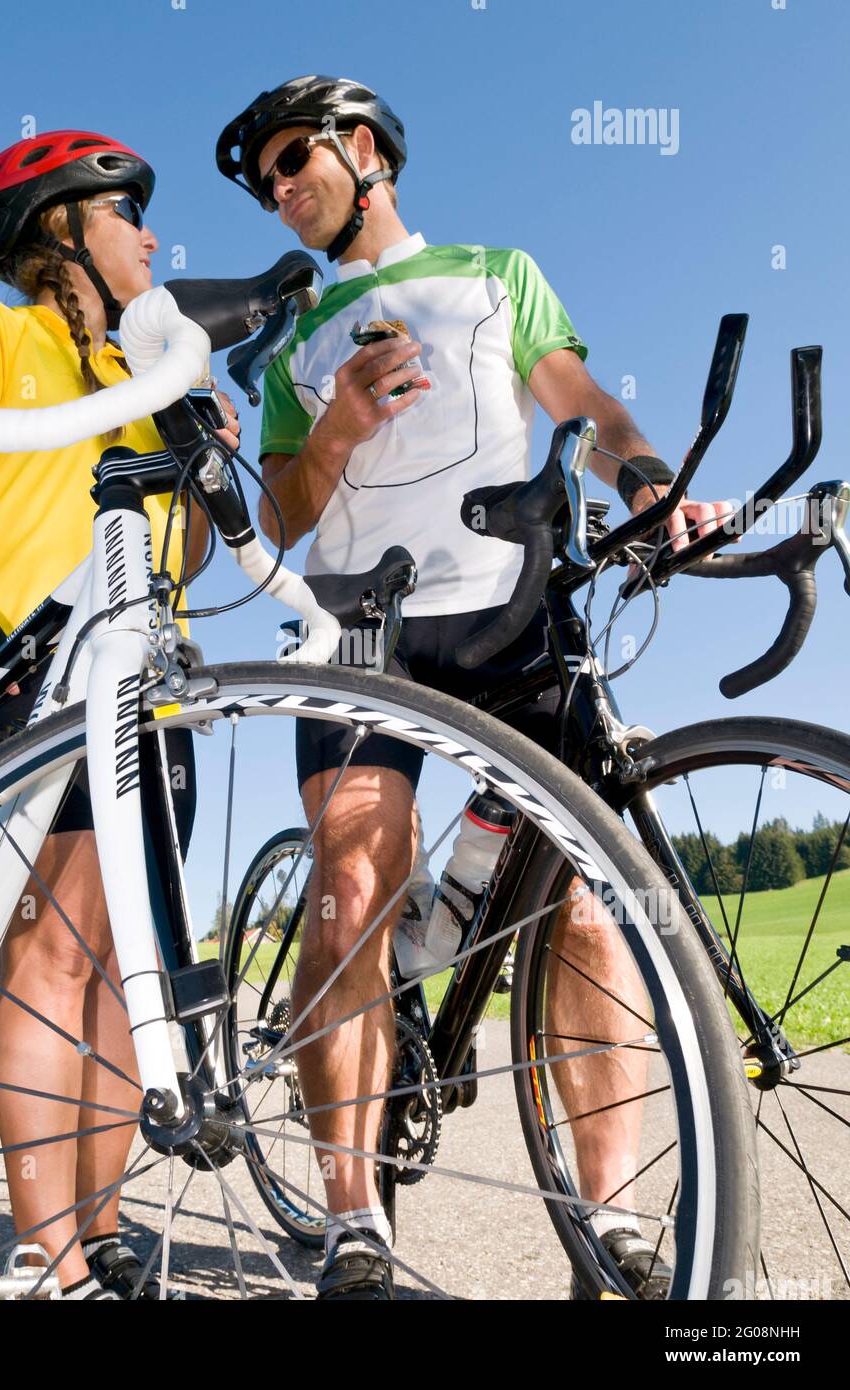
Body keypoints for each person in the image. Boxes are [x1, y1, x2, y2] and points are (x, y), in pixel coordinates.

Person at [216, 76, 727, 1300]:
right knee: (349, 889)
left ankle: (609, 1222)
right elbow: (281, 517)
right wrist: (332, 429)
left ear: (364, 149)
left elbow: (583, 407)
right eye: (263, 179)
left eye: (295, 159)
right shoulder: (286, 332)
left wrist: (648, 478)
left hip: (509, 614)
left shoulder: (495, 272)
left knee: (591, 912)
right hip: (357, 632)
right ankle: (353, 1223)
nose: (280, 190)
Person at [0, 129, 239, 1298]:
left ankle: (97, 1233)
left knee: (111, 967)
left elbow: (188, 551)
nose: (150, 234)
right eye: (126, 213)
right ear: (61, 229)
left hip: (154, 679)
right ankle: (45, 1254)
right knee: (51, 946)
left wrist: (200, 466)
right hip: (36, 671)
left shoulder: (141, 380)